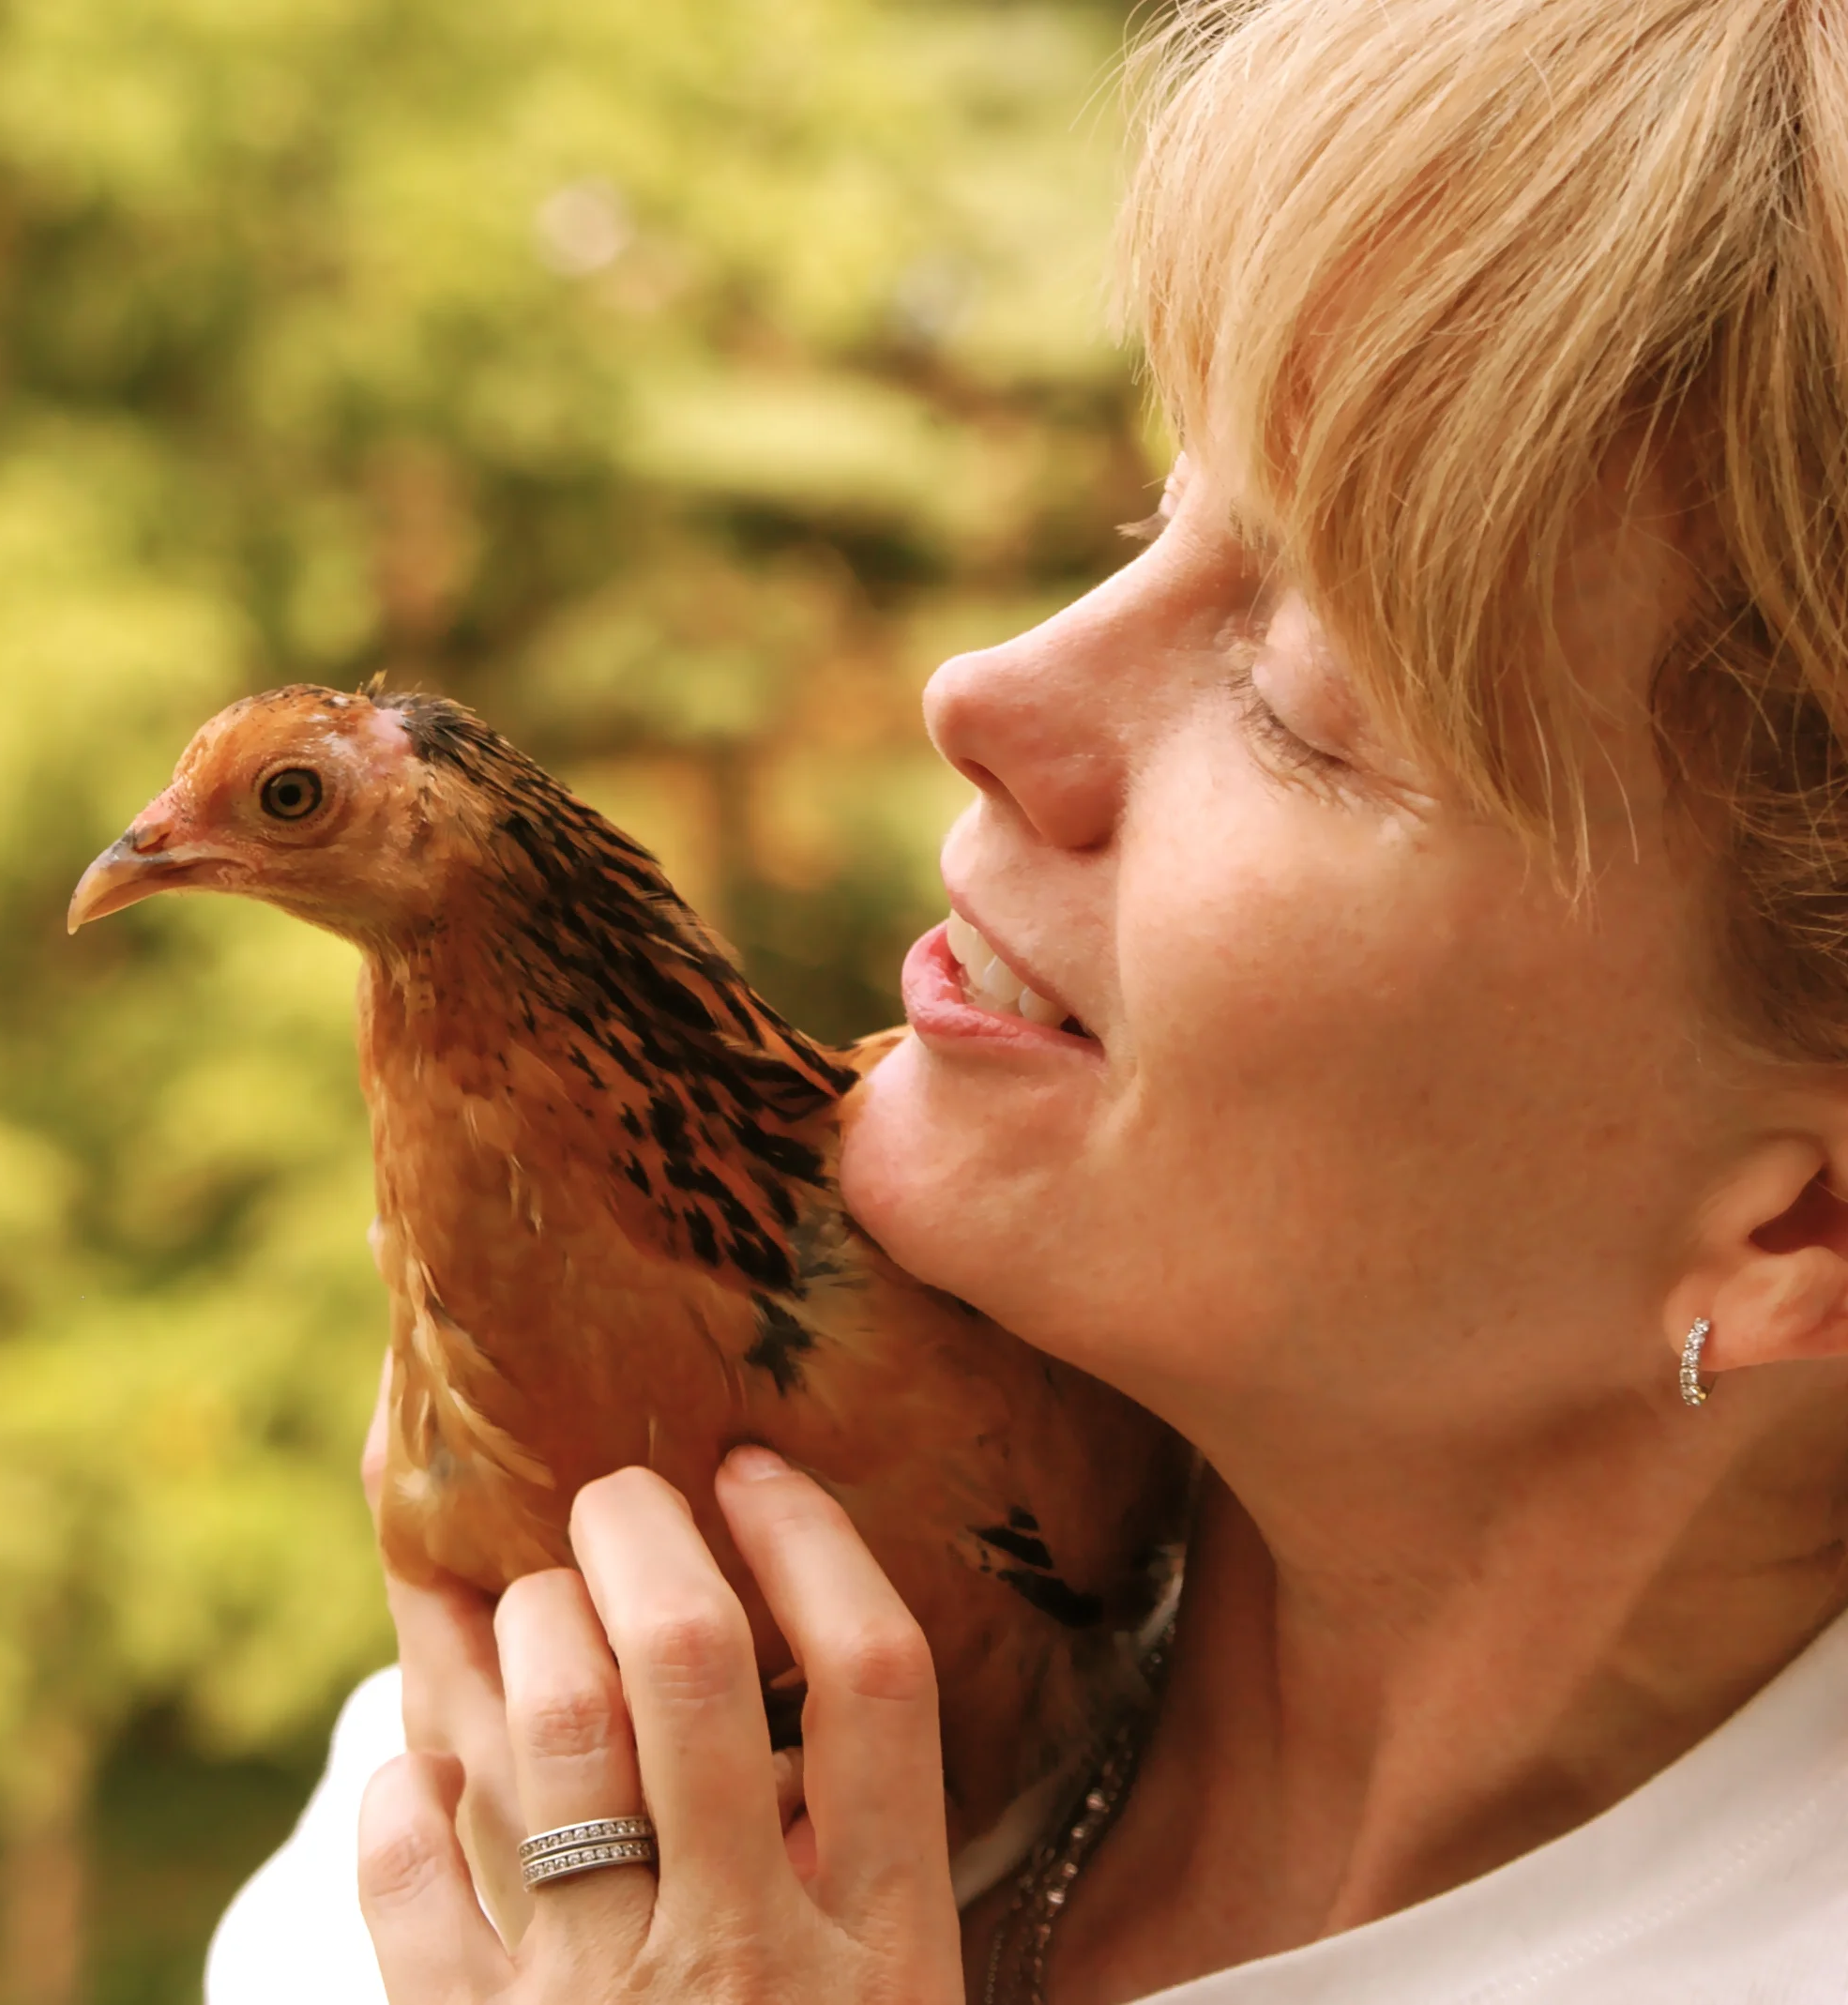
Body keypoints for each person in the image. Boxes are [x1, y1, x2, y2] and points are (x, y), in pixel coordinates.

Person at [205, 0, 1848, 1997]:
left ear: (1803, 1226)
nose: (980, 693)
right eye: (1157, 513)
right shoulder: (545, 1772)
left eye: (1309, 703)